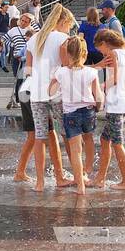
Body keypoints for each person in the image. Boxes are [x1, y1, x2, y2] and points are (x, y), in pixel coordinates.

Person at [27, 4, 75, 191]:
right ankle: (75, 175)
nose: (69, 28)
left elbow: (28, 70)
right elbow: (66, 67)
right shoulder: (63, 38)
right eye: (69, 25)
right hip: (56, 93)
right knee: (67, 134)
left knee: (41, 136)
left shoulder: (35, 39)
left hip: (36, 93)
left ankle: (40, 182)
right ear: (62, 22)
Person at [49, 35, 102, 195]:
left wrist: (56, 84)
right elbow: (98, 96)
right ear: (85, 54)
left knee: (75, 150)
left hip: (70, 113)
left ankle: (80, 186)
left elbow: (50, 92)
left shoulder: (61, 72)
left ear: (68, 55)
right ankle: (88, 169)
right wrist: (97, 108)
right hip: (88, 111)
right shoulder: (92, 72)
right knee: (89, 139)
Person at [91, 29, 125, 190]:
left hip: (116, 104)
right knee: (105, 140)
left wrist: (96, 87)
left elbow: (114, 80)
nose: (101, 53)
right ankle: (100, 178)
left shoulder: (112, 55)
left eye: (100, 49)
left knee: (117, 143)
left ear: (104, 44)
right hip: (123, 103)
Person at [4, 12, 33, 108]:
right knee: (19, 78)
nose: (23, 23)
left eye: (26, 21)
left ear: (29, 23)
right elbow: (4, 39)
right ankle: (18, 99)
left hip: (28, 58)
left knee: (27, 79)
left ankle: (26, 98)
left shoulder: (32, 30)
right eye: (22, 20)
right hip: (17, 57)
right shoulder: (13, 30)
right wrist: (11, 45)